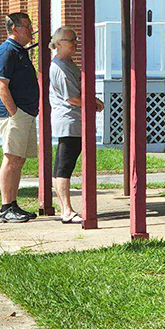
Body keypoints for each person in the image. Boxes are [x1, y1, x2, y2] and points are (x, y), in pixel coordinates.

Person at [49, 26, 104, 224]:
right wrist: (94, 102)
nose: (75, 43)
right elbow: (72, 98)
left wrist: (92, 100)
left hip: (74, 120)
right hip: (69, 121)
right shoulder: (60, 68)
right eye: (71, 40)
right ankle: (67, 211)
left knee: (62, 166)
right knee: (64, 167)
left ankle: (65, 209)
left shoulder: (68, 64)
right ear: (58, 43)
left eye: (75, 39)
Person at [0, 12, 39, 224]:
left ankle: (13, 204)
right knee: (11, 157)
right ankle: (5, 207)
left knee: (19, 159)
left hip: (26, 113)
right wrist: (15, 112)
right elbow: (1, 85)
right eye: (27, 27)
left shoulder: (20, 51)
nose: (31, 31)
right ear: (15, 29)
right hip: (15, 114)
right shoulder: (6, 51)